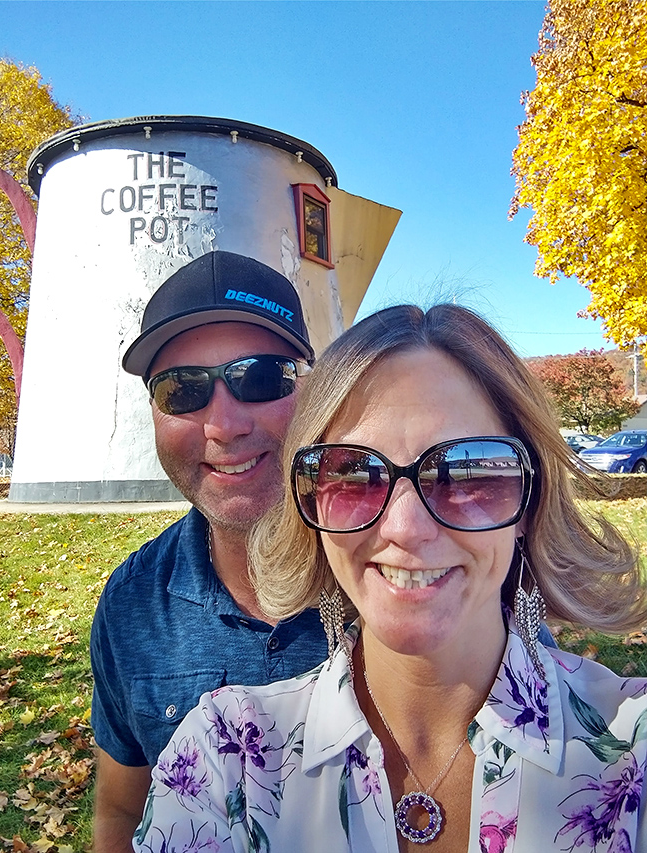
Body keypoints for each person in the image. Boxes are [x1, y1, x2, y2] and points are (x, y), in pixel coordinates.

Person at [134, 304, 647, 853]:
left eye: (466, 470)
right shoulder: (225, 761)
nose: (405, 529)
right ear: (309, 503)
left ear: (529, 499)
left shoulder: (632, 746)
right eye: (353, 472)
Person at [90, 251, 329, 852]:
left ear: (315, 388)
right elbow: (120, 811)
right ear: (152, 411)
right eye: (182, 390)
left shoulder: (404, 569)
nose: (223, 425)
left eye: (262, 378)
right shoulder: (132, 607)